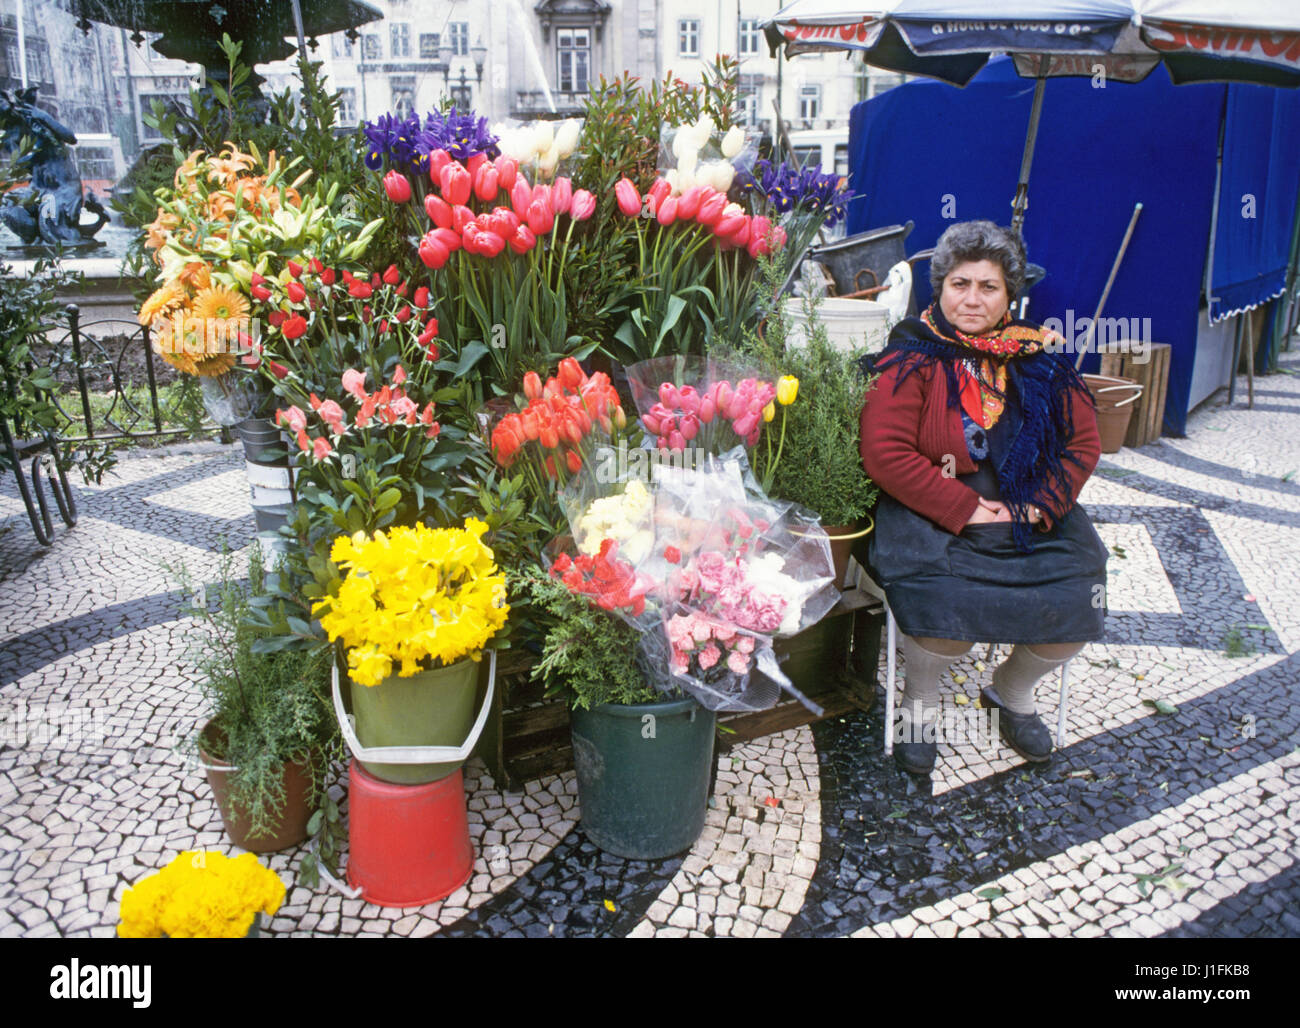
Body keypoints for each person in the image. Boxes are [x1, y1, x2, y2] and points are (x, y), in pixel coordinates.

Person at [858, 220, 1107, 775]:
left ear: (1009, 295)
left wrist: (1039, 504)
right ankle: (919, 706)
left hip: (1026, 508)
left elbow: (1083, 443)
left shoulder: (1040, 358)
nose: (972, 299)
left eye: (988, 287)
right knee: (940, 604)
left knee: (1078, 589)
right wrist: (965, 507)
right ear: (940, 287)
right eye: (959, 284)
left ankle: (1011, 693)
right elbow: (886, 453)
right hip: (929, 505)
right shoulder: (910, 357)